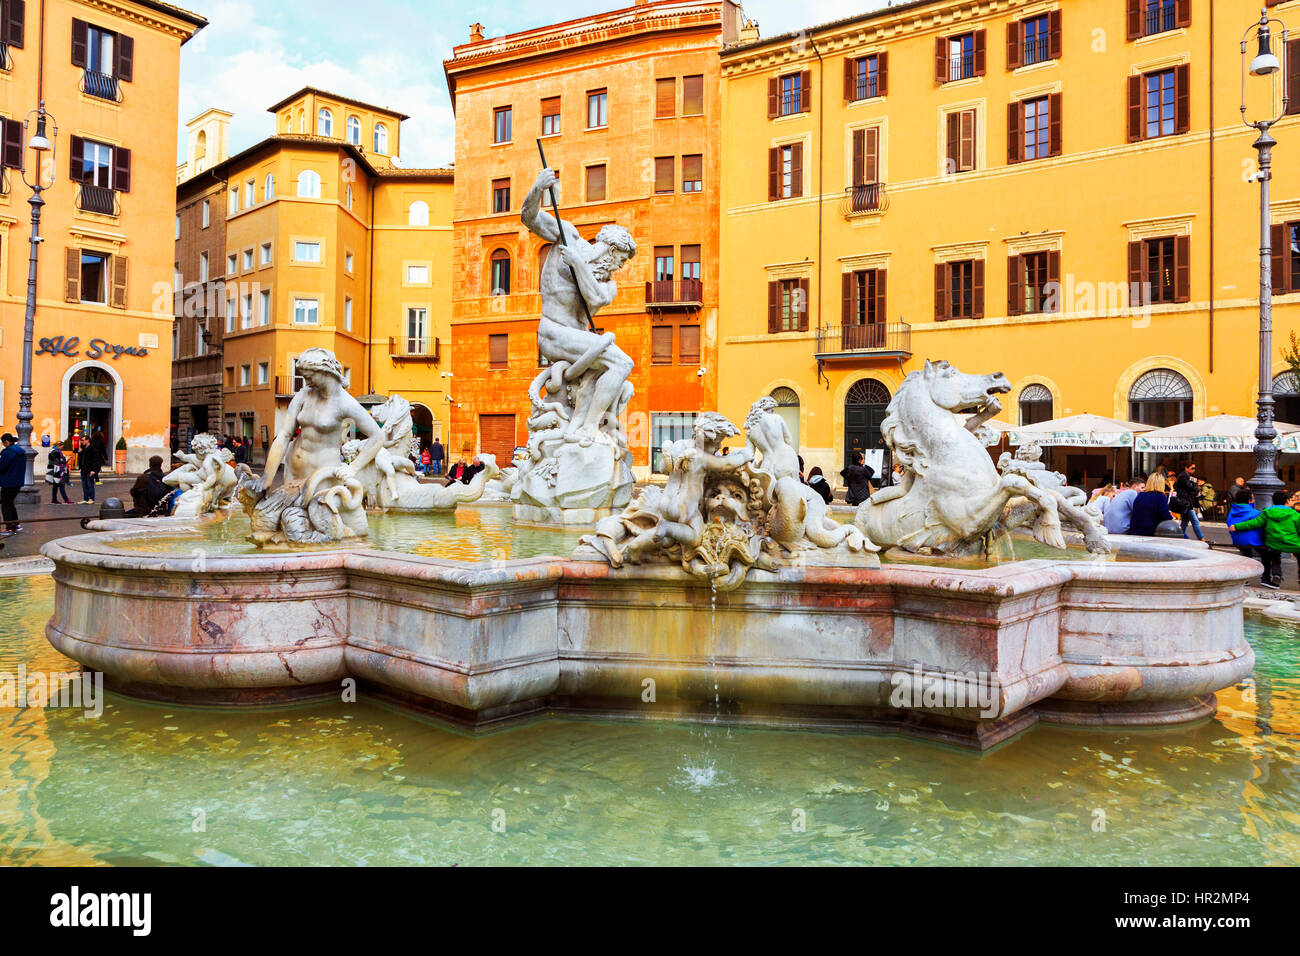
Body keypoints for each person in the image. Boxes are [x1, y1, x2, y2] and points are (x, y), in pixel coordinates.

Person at [1229, 491, 1300, 589]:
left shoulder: (1267, 512)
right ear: (1287, 501)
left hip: (1273, 542)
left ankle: (1276, 575)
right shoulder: (1295, 514)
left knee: (1275, 555)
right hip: (1292, 543)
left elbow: (1254, 523)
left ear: (1273, 501)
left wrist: (1237, 526)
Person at [1227, 486, 1265, 561]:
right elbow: (1261, 528)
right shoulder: (1255, 513)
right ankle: (1266, 572)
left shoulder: (1231, 512)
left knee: (1247, 555)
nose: (1254, 501)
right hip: (1253, 542)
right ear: (1249, 500)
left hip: (1238, 541)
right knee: (1265, 555)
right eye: (1253, 499)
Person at [1172, 461, 1204, 541]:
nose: (1194, 470)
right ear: (1186, 468)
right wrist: (1196, 487)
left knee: (1185, 522)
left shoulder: (1187, 476)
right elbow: (1191, 487)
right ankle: (1201, 538)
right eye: (1192, 468)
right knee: (1194, 521)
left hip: (1186, 501)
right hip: (1185, 502)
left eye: (1195, 468)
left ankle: (1180, 535)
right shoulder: (1183, 476)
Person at [0, 434, 25, 533]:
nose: (3, 445)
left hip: (8, 482)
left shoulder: (8, 453)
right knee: (10, 503)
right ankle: (16, 524)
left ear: (6, 441)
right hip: (17, 482)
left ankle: (9, 527)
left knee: (6, 504)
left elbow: (2, 467)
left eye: (3, 442)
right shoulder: (21, 452)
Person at [79, 430, 106, 503]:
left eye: (83, 440)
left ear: (88, 440)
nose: (82, 442)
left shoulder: (93, 448)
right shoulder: (84, 448)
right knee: (84, 485)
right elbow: (82, 459)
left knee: (90, 484)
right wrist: (80, 453)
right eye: (81, 440)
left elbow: (96, 460)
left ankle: (91, 499)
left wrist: (93, 470)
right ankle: (85, 499)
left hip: (90, 469)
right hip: (84, 469)